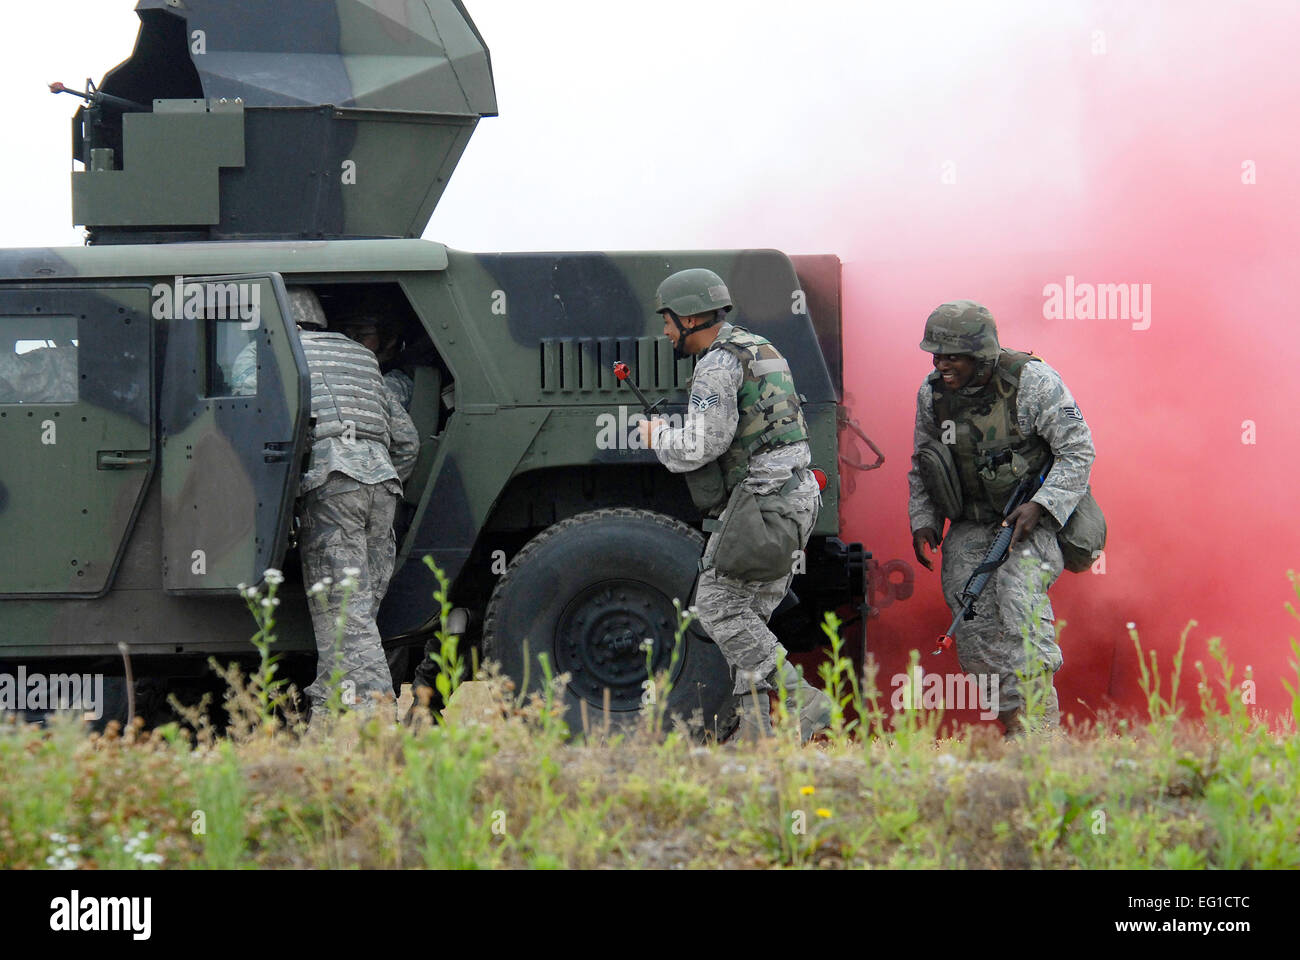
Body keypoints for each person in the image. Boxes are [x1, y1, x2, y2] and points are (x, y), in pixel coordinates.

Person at [639, 268, 831, 743]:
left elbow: (703, 444)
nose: (664, 331)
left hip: (762, 505)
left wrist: (659, 437)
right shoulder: (759, 348)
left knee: (719, 609)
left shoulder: (717, 364)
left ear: (690, 317)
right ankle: (755, 733)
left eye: (667, 320)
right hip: (792, 500)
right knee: (747, 619)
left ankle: (803, 701)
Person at [907, 300, 1095, 736]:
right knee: (969, 614)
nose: (941, 364)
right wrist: (924, 520)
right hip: (974, 521)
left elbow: (1077, 449)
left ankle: (1043, 733)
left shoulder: (1032, 382)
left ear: (982, 353)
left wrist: (1042, 505)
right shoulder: (933, 394)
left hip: (1036, 516)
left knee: (1016, 598)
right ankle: (1015, 725)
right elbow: (923, 462)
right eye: (936, 354)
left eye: (952, 356)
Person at [283, 289, 419, 719]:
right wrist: (377, 470)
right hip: (382, 485)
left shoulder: (280, 350)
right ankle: (324, 714)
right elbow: (408, 443)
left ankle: (374, 720)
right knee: (356, 614)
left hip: (330, 485)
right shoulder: (359, 356)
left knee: (346, 614)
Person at [336, 314, 414, 411]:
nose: (351, 341)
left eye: (360, 335)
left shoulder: (393, 384)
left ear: (390, 339)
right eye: (347, 335)